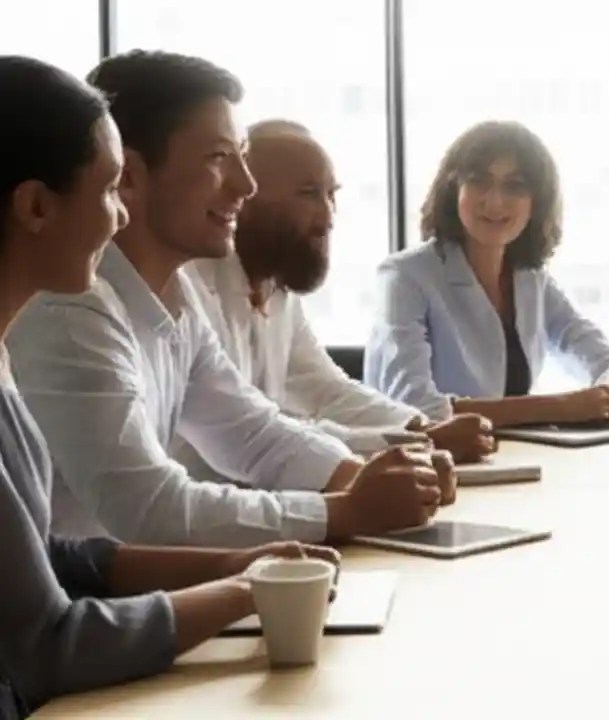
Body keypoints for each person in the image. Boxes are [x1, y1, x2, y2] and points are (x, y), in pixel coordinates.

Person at [0, 54, 344, 718]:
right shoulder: (64, 322)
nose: (120, 217)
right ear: (37, 206)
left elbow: (44, 556)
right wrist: (247, 589)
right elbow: (45, 644)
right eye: (107, 192)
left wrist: (222, 568)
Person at [7, 50, 451, 548]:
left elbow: (252, 432)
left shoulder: (178, 296)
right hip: (95, 607)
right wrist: (345, 509)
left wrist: (373, 478)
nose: (247, 184)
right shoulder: (70, 309)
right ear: (128, 176)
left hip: (139, 595)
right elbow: (150, 510)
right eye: (220, 158)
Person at [181, 119, 494, 467]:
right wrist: (418, 441)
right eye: (309, 194)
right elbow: (254, 433)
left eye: (331, 195)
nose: (328, 216)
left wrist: (420, 425)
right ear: (245, 199)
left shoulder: (276, 287)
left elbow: (328, 391)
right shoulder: (192, 290)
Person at [365, 120, 609, 427]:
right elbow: (413, 407)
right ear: (453, 188)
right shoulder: (405, 276)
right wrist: (562, 406)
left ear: (537, 203)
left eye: (515, 186)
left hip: (512, 458)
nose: (495, 201)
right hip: (431, 464)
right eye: (479, 181)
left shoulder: (531, 280)